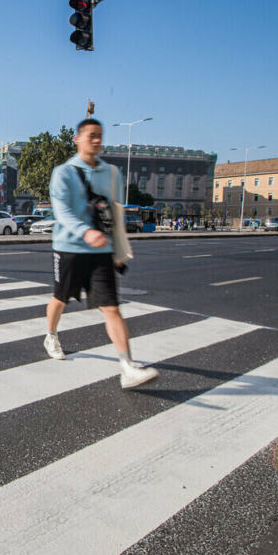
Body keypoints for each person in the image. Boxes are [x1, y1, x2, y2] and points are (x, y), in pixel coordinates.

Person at [43, 118, 159, 390]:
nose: (96, 140)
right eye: (91, 135)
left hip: (101, 250)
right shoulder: (64, 172)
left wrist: (118, 249)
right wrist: (85, 232)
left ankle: (127, 366)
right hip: (69, 248)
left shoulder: (112, 173)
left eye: (99, 136)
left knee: (112, 308)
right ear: (77, 139)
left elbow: (113, 214)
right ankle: (51, 335)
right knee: (61, 298)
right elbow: (61, 211)